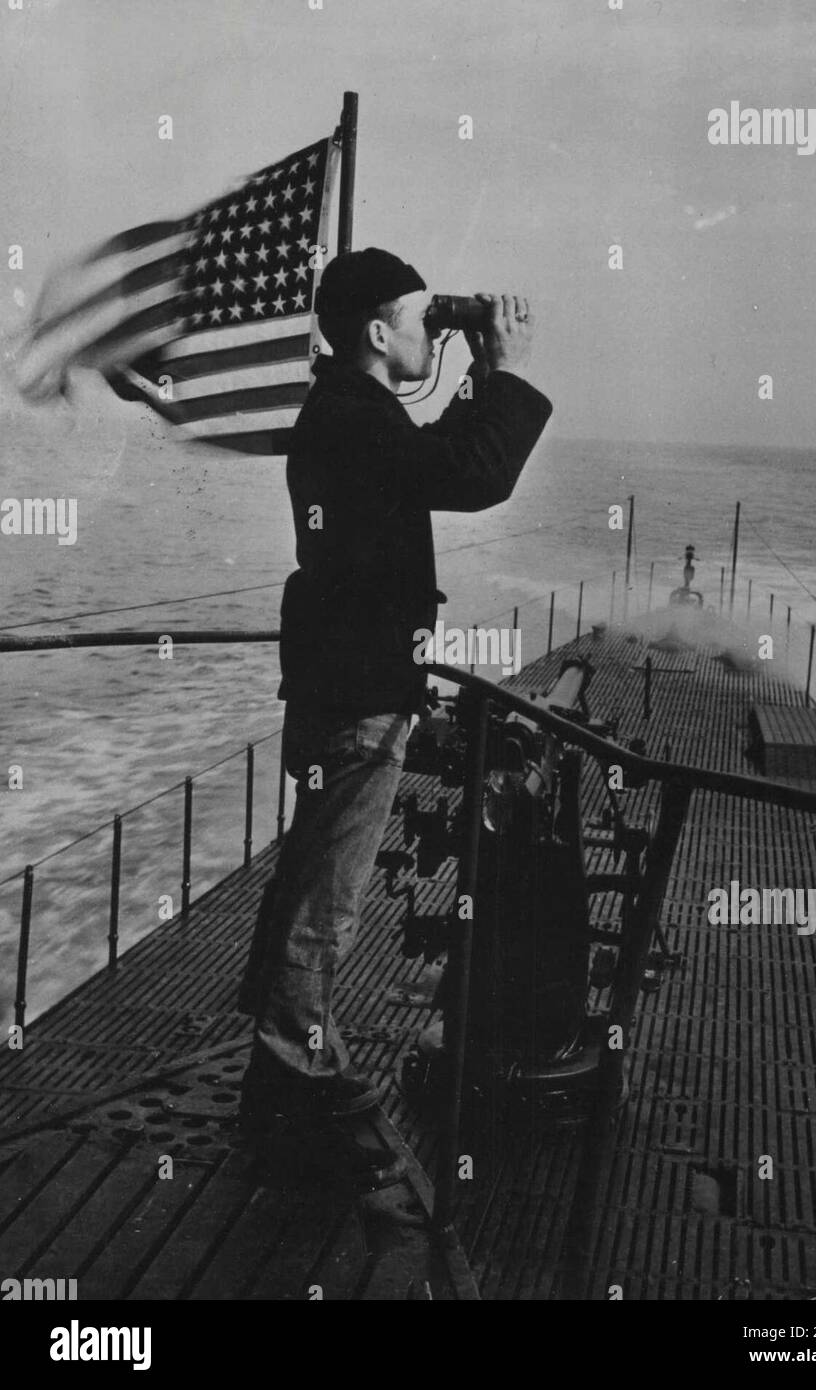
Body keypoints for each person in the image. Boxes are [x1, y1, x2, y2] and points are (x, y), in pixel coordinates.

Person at [237, 248, 552, 1185]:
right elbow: (473, 476)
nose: (430, 334)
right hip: (360, 694)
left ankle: (283, 1067)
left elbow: (431, 466)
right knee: (325, 903)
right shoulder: (353, 419)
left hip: (340, 682)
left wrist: (470, 375)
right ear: (378, 334)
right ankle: (294, 1086)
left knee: (311, 885)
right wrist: (506, 369)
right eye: (419, 321)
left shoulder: (350, 409)